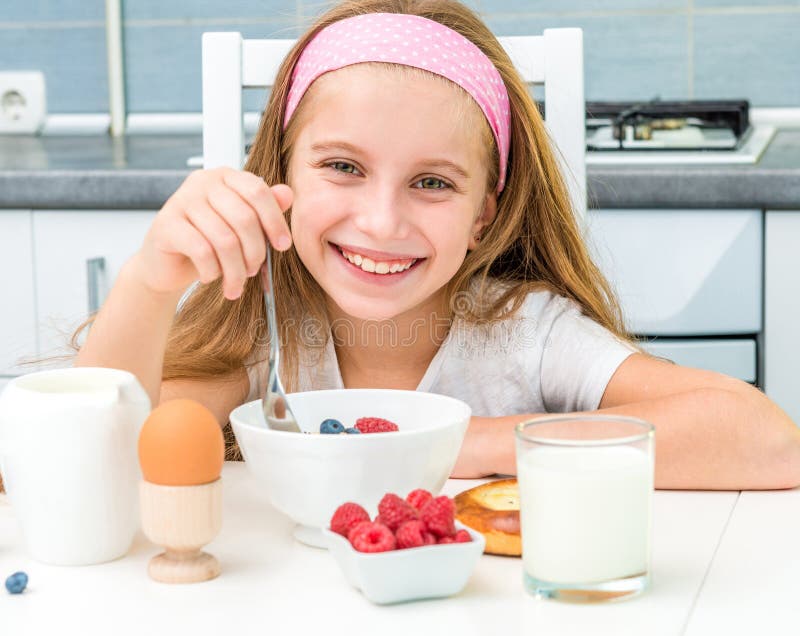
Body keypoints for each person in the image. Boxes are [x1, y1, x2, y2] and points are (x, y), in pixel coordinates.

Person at [72, 0, 799, 490]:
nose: (383, 222)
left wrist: (452, 443)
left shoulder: (523, 332)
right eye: (343, 167)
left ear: (484, 216)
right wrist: (149, 281)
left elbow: (767, 440)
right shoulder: (268, 333)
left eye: (432, 183)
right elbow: (94, 461)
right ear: (280, 175)